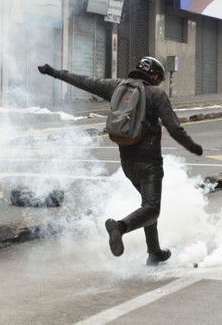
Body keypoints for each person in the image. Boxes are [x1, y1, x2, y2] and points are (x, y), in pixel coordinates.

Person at [37, 57, 203, 266]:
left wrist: (53, 71)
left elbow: (84, 81)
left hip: (127, 164)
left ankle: (154, 252)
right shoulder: (156, 94)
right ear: (153, 75)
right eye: (158, 78)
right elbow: (174, 127)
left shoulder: (116, 86)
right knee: (152, 208)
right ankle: (120, 227)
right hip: (149, 163)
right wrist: (193, 147)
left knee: (147, 205)